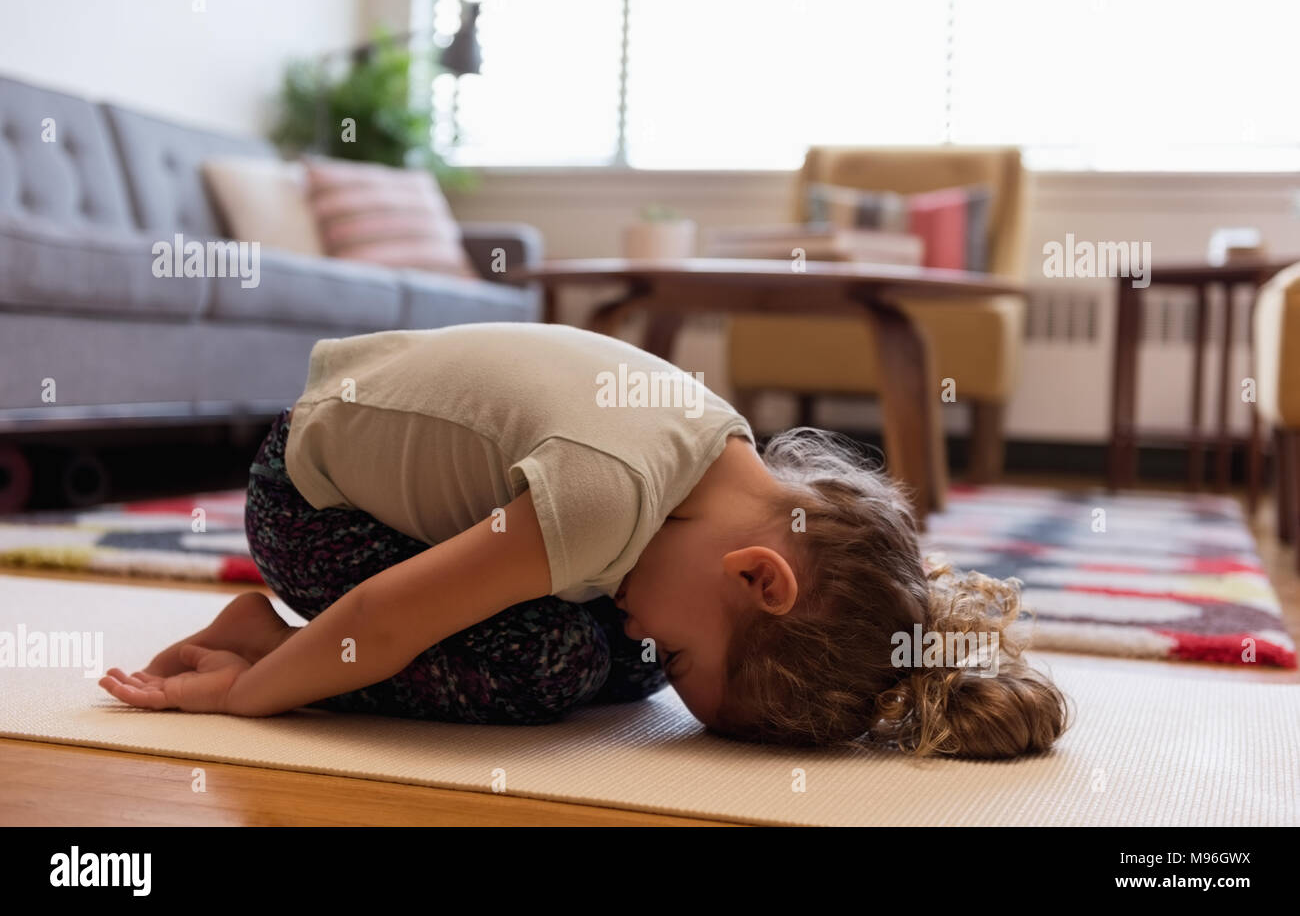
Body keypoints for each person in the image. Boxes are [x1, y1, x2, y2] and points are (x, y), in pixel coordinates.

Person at [100, 322, 1070, 758]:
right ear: (755, 574)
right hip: (309, 506)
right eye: (689, 653)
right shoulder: (607, 489)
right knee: (550, 666)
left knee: (620, 661)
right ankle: (270, 637)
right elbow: (382, 618)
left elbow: (653, 628)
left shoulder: (714, 465)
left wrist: (658, 652)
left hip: (415, 481)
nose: (660, 650)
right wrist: (246, 694)